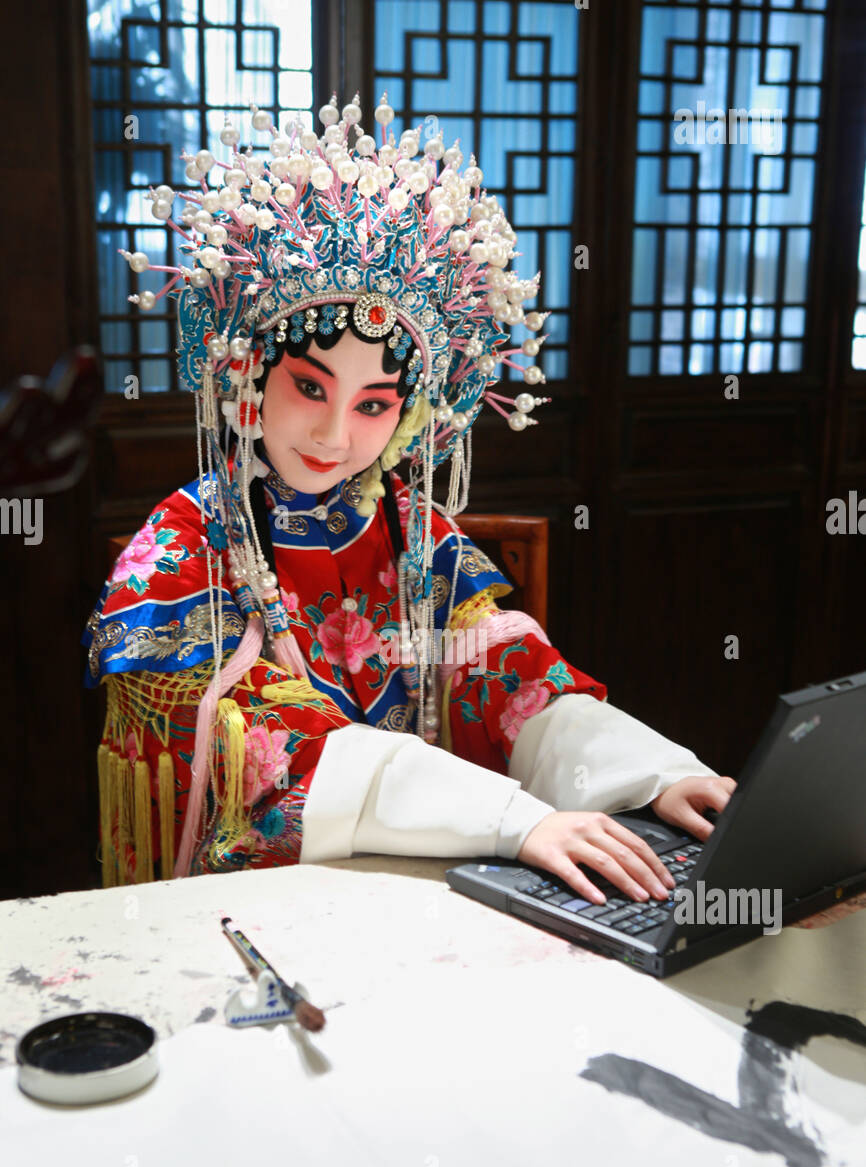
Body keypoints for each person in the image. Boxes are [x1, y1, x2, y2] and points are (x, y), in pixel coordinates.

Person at [83, 94, 735, 901]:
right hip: (270, 907)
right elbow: (270, 760)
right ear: (248, 371)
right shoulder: (183, 549)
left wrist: (648, 774)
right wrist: (510, 818)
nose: (333, 435)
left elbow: (503, 670)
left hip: (429, 868)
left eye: (372, 404)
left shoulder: (407, 525)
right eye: (310, 387)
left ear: (408, 412)